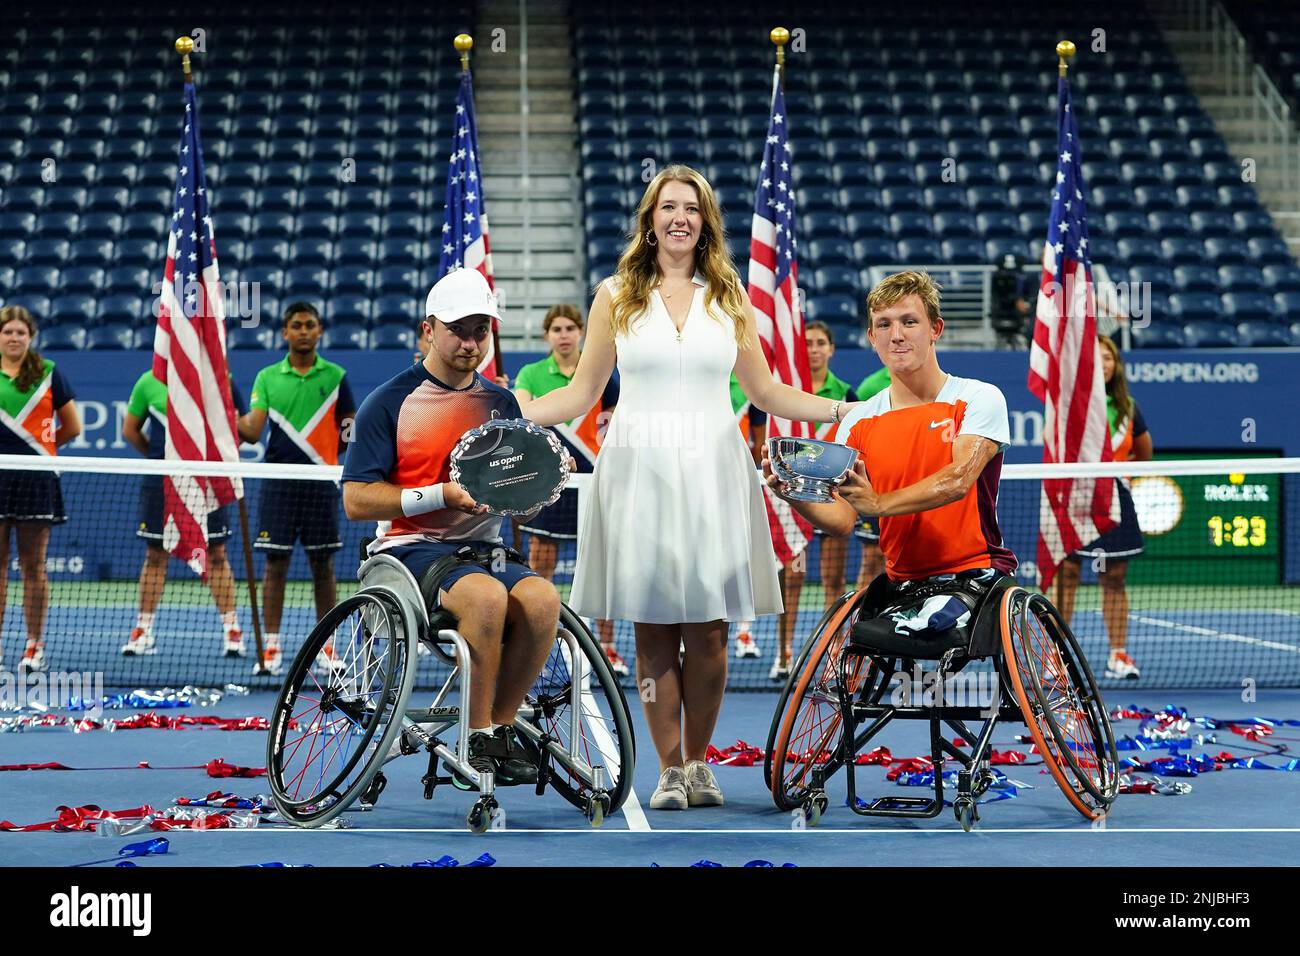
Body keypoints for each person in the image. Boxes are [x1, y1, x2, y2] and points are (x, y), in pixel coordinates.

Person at [519, 165, 850, 810]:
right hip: (638, 475)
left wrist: (842, 412)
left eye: (691, 209)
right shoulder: (614, 295)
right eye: (668, 206)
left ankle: (700, 761)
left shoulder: (731, 298)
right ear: (650, 218)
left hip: (713, 475)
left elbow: (766, 392)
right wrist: (508, 407)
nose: (680, 218)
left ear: (705, 221)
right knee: (652, 632)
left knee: (711, 634)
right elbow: (583, 392)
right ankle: (670, 768)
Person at [341, 268, 560, 785]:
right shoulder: (388, 403)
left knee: (545, 600)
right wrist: (442, 495)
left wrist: (537, 488)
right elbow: (355, 500)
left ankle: (496, 731)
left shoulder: (502, 404)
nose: (470, 342)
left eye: (480, 330)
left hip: (486, 553)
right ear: (428, 330)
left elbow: (518, 510)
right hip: (408, 552)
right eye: (458, 329)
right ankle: (476, 731)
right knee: (485, 599)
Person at [765, 269, 1017, 659]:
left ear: (935, 328)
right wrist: (791, 494)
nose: (896, 334)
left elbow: (957, 481)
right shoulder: (858, 420)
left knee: (924, 627)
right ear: (872, 338)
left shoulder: (978, 398)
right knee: (840, 649)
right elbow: (843, 520)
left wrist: (879, 504)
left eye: (909, 321)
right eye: (884, 324)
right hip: (899, 582)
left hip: (974, 575)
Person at [237, 302, 355, 676]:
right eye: (296, 325)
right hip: (279, 485)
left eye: (310, 325)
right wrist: (221, 407)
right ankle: (271, 647)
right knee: (275, 565)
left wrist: (321, 458)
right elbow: (253, 430)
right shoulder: (267, 377)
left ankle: (328, 647)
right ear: (284, 333)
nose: (303, 331)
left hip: (320, 484)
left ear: (320, 331)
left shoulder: (336, 376)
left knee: (323, 566)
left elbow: (348, 432)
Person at [513, 304, 626, 675]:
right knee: (539, 563)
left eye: (570, 328)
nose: (563, 334)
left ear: (581, 332)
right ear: (547, 335)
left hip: (596, 481)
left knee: (605, 565)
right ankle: (536, 644)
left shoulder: (601, 371)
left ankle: (608, 647)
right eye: (556, 329)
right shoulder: (531, 373)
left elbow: (619, 418)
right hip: (550, 482)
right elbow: (521, 407)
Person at [120, 369, 248, 658]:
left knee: (216, 553)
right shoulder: (147, 381)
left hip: (208, 479)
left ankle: (232, 629)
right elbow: (130, 430)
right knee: (155, 554)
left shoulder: (221, 377)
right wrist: (160, 459)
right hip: (161, 482)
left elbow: (239, 428)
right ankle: (143, 628)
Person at [1051, 335, 1151, 680]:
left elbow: (1144, 453)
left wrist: (1119, 479)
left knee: (1114, 578)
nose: (1104, 364)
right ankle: (1057, 657)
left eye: (1108, 358)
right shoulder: (1070, 403)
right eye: (1097, 358)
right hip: (1075, 495)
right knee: (1068, 575)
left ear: (1116, 365)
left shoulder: (1128, 408)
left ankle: (1118, 655)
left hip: (1115, 497)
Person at [0, 306, 82, 673]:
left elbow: (72, 426)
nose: (14, 338)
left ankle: (34, 646)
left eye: (20, 332)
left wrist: (40, 450)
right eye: (7, 332)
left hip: (36, 478)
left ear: (30, 337)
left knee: (34, 566)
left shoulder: (49, 373)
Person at [805, 321, 860, 621]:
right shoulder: (789, 391)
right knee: (788, 578)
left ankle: (834, 641)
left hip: (831, 497)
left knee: (833, 580)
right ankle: (784, 653)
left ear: (831, 349)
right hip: (793, 497)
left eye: (820, 343)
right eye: (808, 343)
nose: (814, 350)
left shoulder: (845, 394)